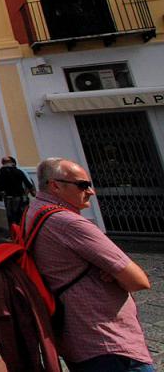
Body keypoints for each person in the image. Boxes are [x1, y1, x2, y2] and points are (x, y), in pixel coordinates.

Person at [25, 158, 153, 371]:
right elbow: (138, 280)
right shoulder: (70, 223)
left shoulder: (34, 210)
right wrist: (115, 273)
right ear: (55, 186)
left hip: (75, 336)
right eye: (82, 185)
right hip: (107, 341)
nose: (91, 191)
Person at [0, 156, 34, 231]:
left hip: (9, 198)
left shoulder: (0, 172)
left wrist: (4, 196)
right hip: (21, 197)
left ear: (3, 163)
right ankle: (23, 233)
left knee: (12, 218)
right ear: (12, 163)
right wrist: (26, 194)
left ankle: (14, 234)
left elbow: (0, 188)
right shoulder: (18, 171)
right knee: (22, 216)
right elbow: (29, 185)